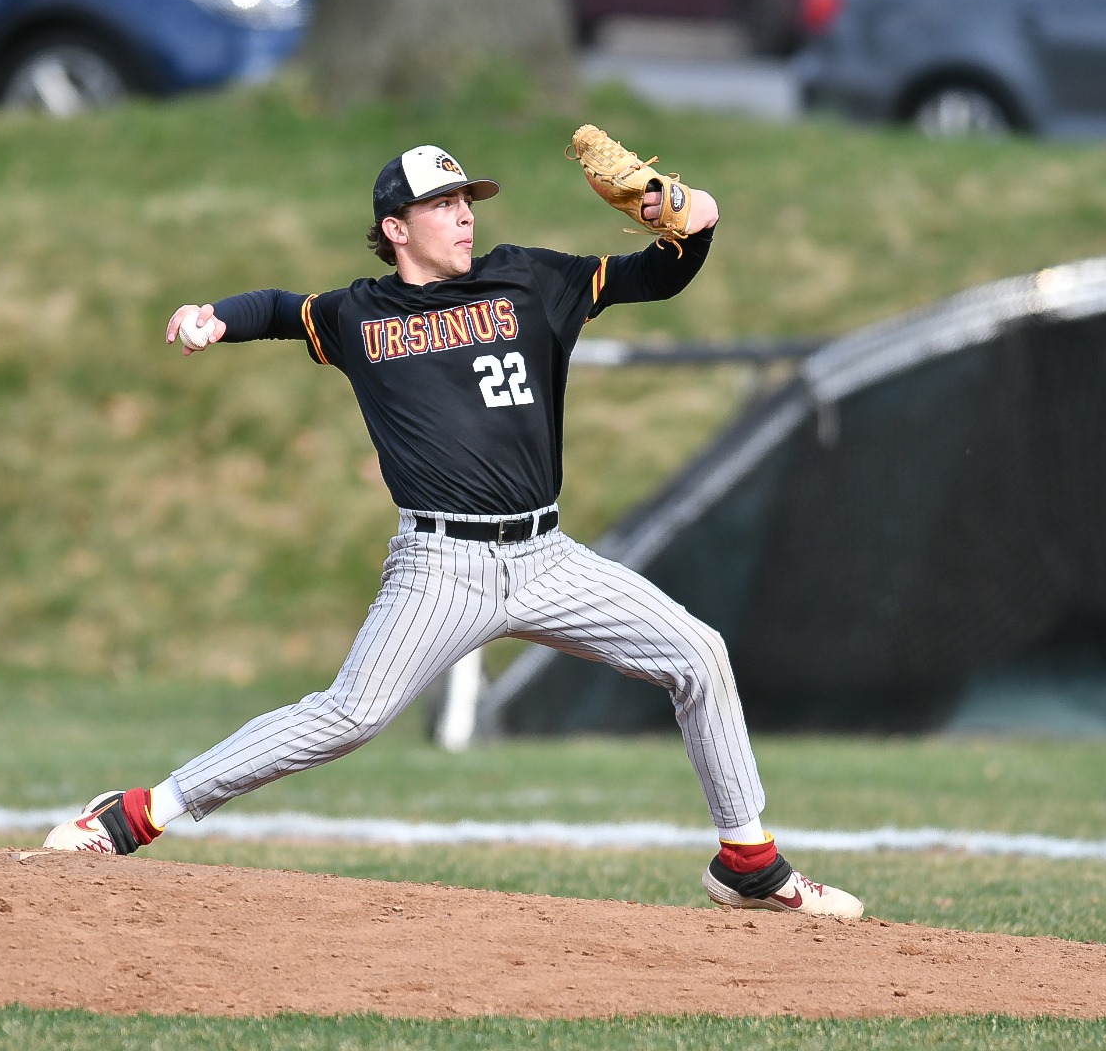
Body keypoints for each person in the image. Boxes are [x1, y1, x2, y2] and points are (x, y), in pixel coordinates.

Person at [44, 142, 863, 919]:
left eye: (466, 198)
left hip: (546, 557)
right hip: (442, 566)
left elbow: (663, 275)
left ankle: (749, 863)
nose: (464, 214)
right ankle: (139, 813)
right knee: (351, 715)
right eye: (440, 204)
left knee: (699, 654)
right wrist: (213, 317)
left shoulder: (531, 280)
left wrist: (684, 212)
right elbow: (280, 310)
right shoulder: (362, 316)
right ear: (395, 229)